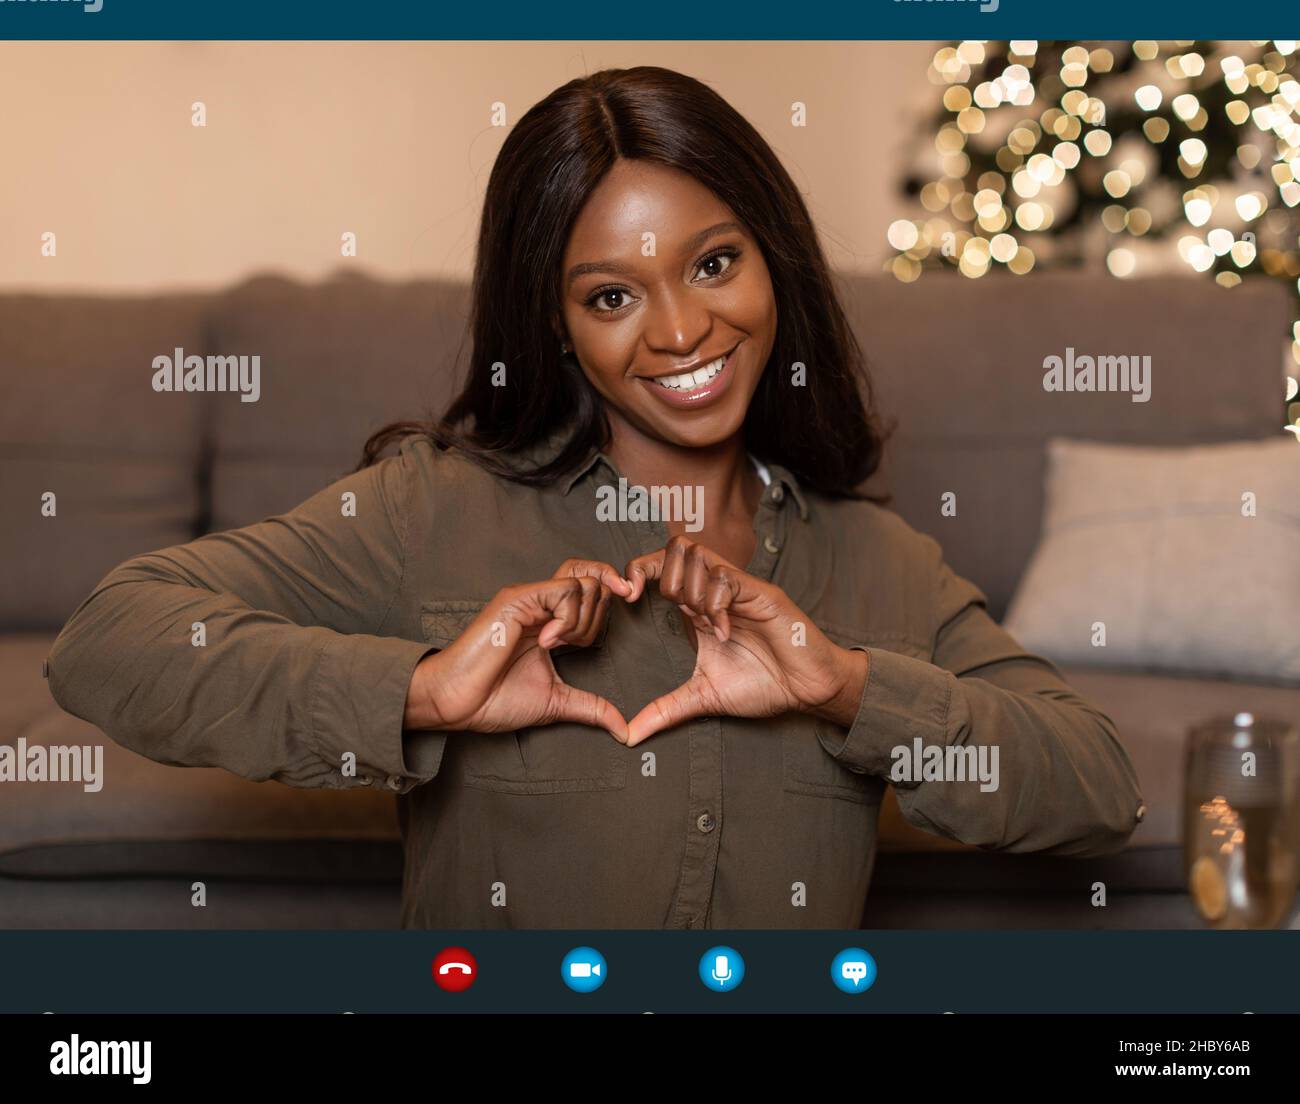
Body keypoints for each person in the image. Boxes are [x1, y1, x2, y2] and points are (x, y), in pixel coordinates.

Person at [46, 66, 1145, 929]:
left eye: (714, 264)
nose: (678, 331)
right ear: (556, 326)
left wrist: (849, 687)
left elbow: (1096, 788)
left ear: (777, 264)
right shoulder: (431, 507)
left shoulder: (879, 558)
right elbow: (111, 639)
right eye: (612, 294)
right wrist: (424, 693)